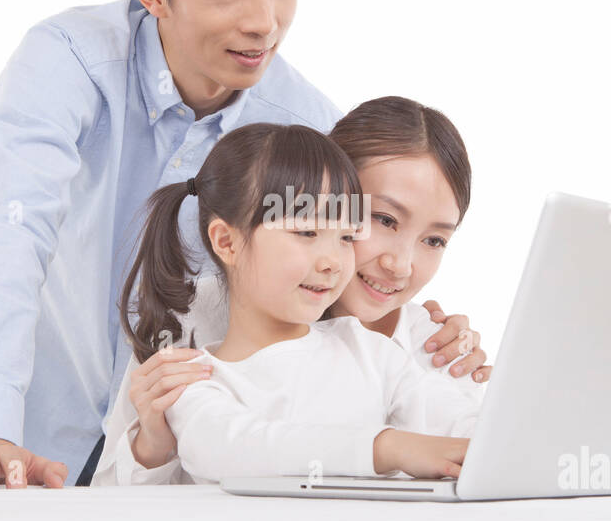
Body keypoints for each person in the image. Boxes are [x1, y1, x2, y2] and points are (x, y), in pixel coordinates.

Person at [0, 0, 344, 490]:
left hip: (185, 472)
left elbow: (334, 290)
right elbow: (7, 233)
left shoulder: (306, 126)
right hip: (37, 448)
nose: (265, 22)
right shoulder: (69, 61)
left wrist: (424, 337)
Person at [103, 122, 482, 484]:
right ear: (227, 242)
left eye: (347, 236)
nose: (332, 260)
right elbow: (239, 448)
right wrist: (387, 447)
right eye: (306, 231)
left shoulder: (375, 353)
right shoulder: (192, 376)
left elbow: (463, 422)